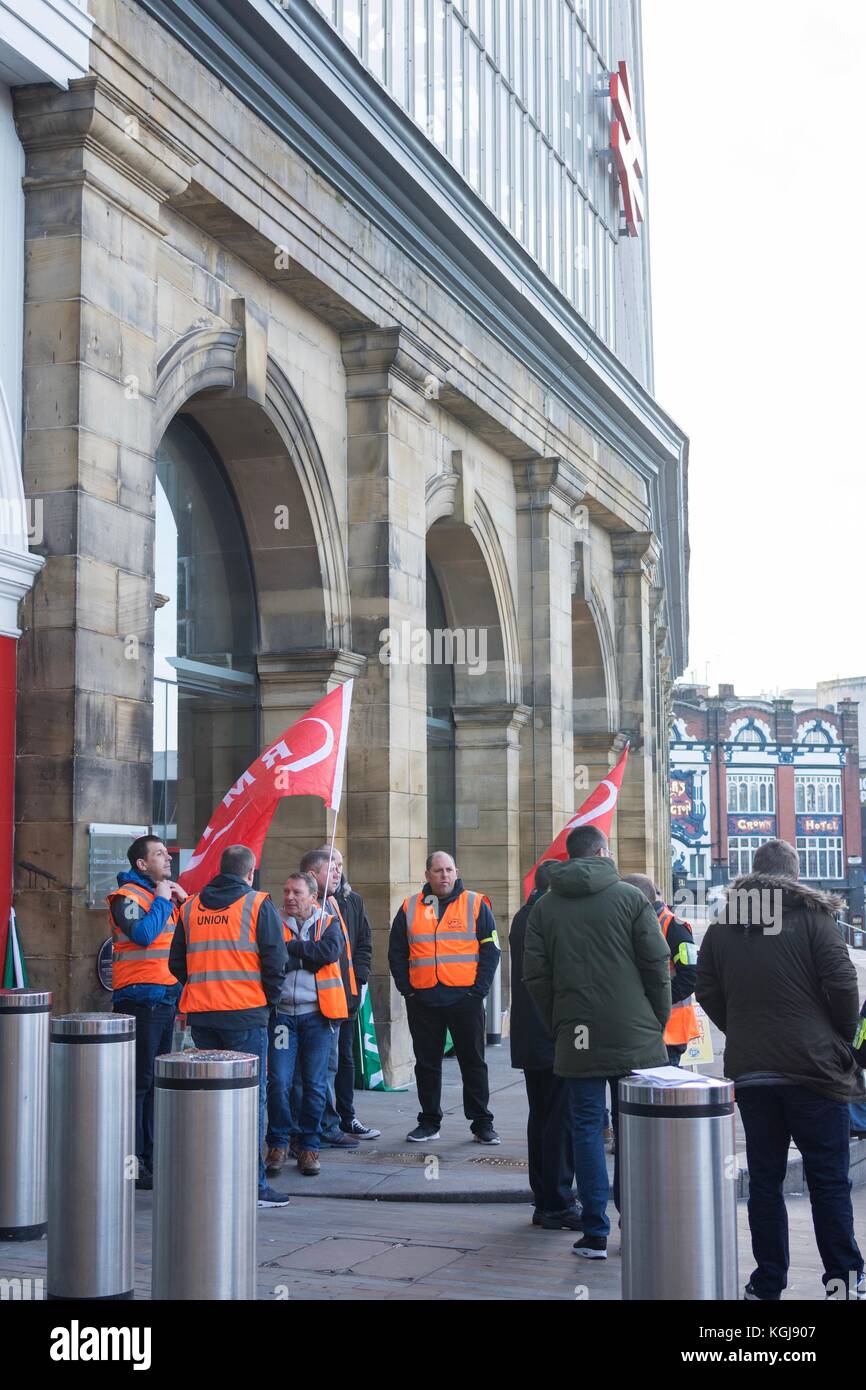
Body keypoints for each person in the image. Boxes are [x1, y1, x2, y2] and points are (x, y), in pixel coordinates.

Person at [696, 836, 865, 1301]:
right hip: (815, 1071)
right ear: (794, 874)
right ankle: (844, 1281)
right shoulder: (815, 918)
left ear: (751, 872)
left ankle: (768, 1282)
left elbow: (705, 989)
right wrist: (840, 1037)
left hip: (754, 1072)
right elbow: (843, 980)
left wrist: (742, 1028)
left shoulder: (722, 926)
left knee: (764, 1181)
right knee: (829, 1178)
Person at [523, 825, 670, 1260]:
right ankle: (637, 1223)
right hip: (634, 1033)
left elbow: (536, 977)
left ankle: (594, 1233)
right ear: (602, 852)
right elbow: (657, 963)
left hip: (577, 1035)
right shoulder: (630, 898)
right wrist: (654, 1019)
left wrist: (559, 1024)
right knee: (634, 1129)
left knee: (586, 1130)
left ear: (569, 857)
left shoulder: (545, 907)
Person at [169, 844, 289, 1209]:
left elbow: (177, 964)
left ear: (220, 870)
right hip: (247, 1016)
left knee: (210, 1100)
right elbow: (276, 960)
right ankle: (252, 1186)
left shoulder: (190, 906)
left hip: (203, 1018)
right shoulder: (256, 904)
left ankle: (211, 1181)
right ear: (249, 873)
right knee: (249, 1100)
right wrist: (267, 999)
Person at [389, 850, 501, 1144]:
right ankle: (428, 1122)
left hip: (465, 999)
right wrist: (408, 990)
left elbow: (491, 950)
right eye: (438, 870)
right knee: (426, 1064)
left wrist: (479, 991)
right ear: (427, 875)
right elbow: (396, 951)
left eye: (449, 870)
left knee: (473, 1062)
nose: (444, 875)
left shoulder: (476, 904)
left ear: (457, 871)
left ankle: (481, 1123)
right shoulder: (409, 907)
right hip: (423, 1000)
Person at [108, 835, 187, 1191]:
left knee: (156, 1084)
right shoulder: (126, 897)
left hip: (165, 999)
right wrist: (161, 897)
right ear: (141, 864)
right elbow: (142, 934)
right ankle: (135, 1161)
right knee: (140, 1084)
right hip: (140, 1001)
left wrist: (181, 904)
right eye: (159, 854)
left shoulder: (165, 897)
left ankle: (153, 1157)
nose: (167, 858)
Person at [264, 871, 350, 1177]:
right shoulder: (273, 921)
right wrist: (305, 957)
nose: (289, 897)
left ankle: (310, 1145)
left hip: (318, 1016)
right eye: (286, 891)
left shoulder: (329, 922)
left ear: (313, 898)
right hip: (283, 1017)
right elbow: (270, 960)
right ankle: (278, 1142)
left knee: (315, 1085)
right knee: (279, 1082)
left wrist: (292, 952)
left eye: (297, 893)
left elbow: (328, 953)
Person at [510, 860, 580, 1230]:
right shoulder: (548, 918)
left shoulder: (525, 915)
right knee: (558, 1123)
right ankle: (556, 1201)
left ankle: (545, 1199)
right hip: (552, 1036)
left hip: (531, 1037)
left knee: (541, 1119)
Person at [621, 874, 699, 1066]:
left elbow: (690, 976)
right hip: (644, 1030)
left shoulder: (675, 927)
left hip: (669, 1034)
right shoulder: (633, 924)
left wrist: (654, 1001)